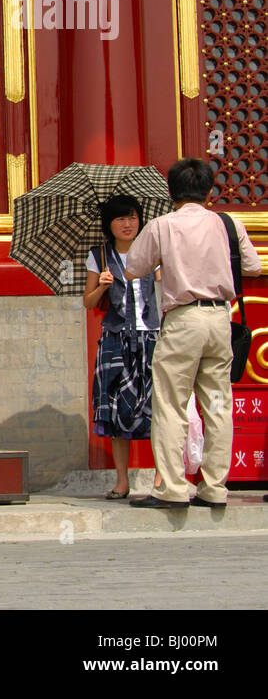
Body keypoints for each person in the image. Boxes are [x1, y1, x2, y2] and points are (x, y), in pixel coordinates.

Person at [125, 158, 261, 509]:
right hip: (220, 318)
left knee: (171, 404)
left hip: (184, 319)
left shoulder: (162, 225)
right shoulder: (229, 223)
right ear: (210, 190)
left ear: (171, 192)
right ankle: (215, 488)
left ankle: (172, 487)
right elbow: (253, 266)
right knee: (218, 404)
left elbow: (134, 267)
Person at [82, 195, 159, 499]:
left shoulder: (155, 253)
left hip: (151, 335)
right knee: (115, 409)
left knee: (157, 407)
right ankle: (122, 481)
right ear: (109, 224)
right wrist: (102, 284)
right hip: (115, 337)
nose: (128, 224)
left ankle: (160, 478)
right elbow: (87, 302)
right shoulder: (99, 255)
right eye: (120, 219)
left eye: (133, 217)